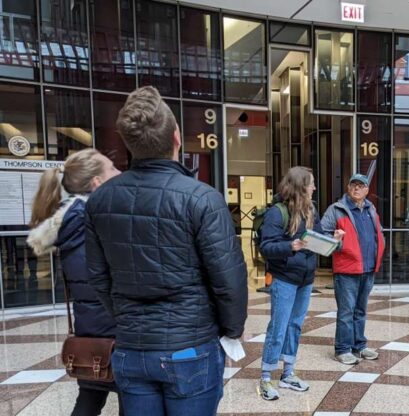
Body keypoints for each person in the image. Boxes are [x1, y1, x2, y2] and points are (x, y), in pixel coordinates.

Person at [85, 86, 248, 416]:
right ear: (176, 136)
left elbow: (98, 277)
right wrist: (232, 330)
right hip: (190, 346)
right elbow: (228, 280)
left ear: (128, 142)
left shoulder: (100, 200)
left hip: (132, 348)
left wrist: (126, 318)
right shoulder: (202, 198)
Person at [27, 149, 121, 416]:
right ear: (97, 182)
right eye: (112, 168)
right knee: (130, 398)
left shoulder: (70, 221)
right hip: (112, 327)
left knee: (90, 396)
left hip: (90, 326)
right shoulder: (90, 219)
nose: (119, 172)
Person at [258, 167, 343, 400]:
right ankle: (266, 378)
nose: (314, 187)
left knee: (294, 325)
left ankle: (287, 374)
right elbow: (266, 247)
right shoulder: (277, 213)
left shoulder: (310, 210)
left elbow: (315, 241)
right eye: (311, 183)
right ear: (299, 186)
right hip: (284, 279)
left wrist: (332, 241)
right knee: (278, 327)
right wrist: (290, 246)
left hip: (305, 279)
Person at [321, 174, 386, 364]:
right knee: (346, 311)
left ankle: (359, 346)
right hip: (347, 270)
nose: (357, 189)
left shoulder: (370, 208)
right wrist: (340, 244)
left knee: (360, 310)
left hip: (368, 268)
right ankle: (342, 349)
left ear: (367, 190)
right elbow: (323, 234)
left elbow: (378, 232)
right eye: (353, 185)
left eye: (361, 186)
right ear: (348, 188)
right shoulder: (336, 209)